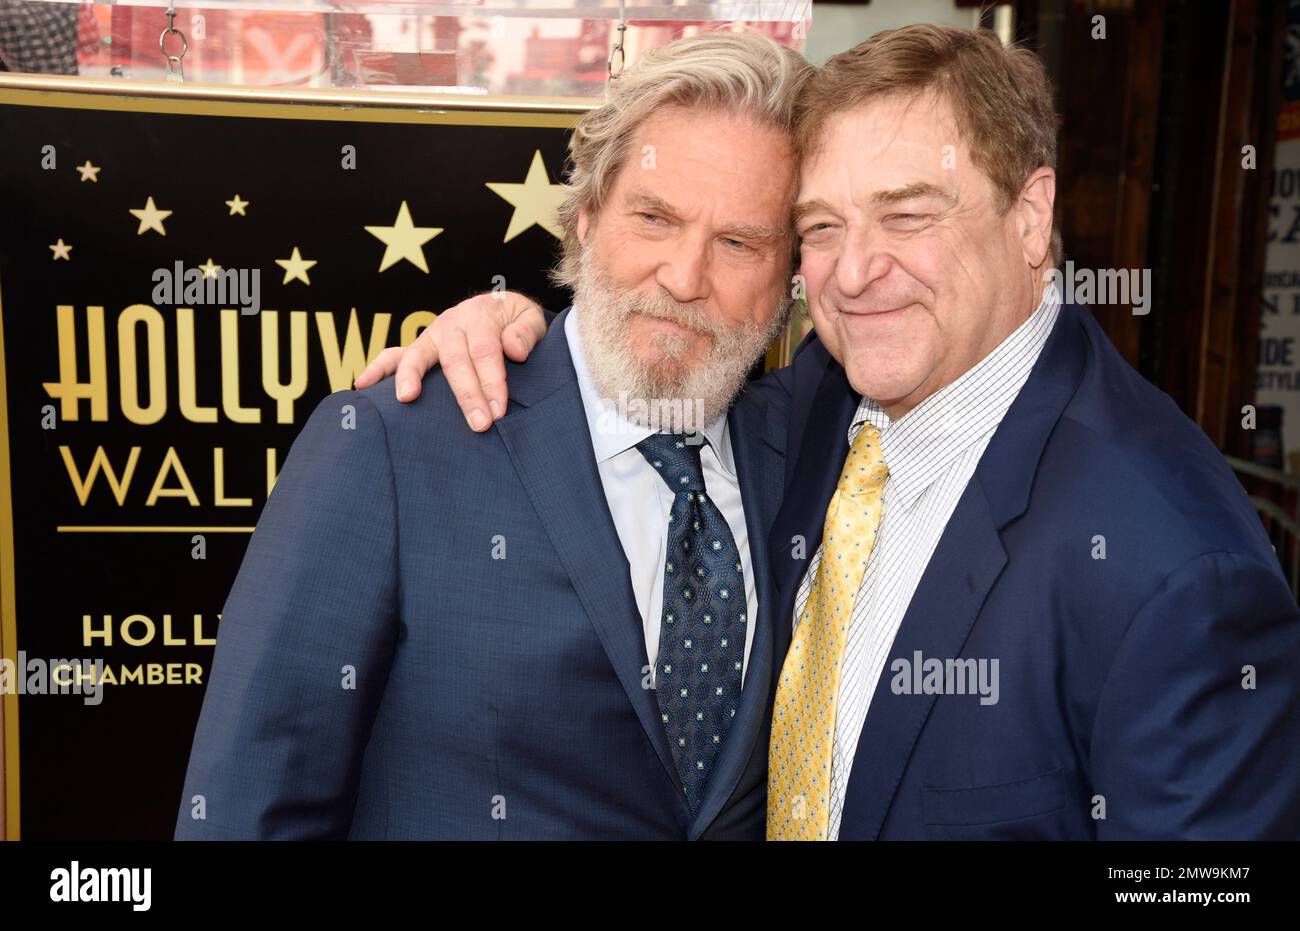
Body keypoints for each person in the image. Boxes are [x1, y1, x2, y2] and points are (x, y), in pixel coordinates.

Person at [358, 24, 1300, 840]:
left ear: (1031, 214)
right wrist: (515, 332)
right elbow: (662, 353)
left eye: (907, 213)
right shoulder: (821, 401)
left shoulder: (1173, 566)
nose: (855, 273)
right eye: (821, 227)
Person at [175, 31, 810, 840]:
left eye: (738, 243)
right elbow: (248, 811)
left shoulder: (814, 455)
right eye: (654, 217)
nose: (685, 278)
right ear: (584, 218)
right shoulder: (390, 445)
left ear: (793, 274)